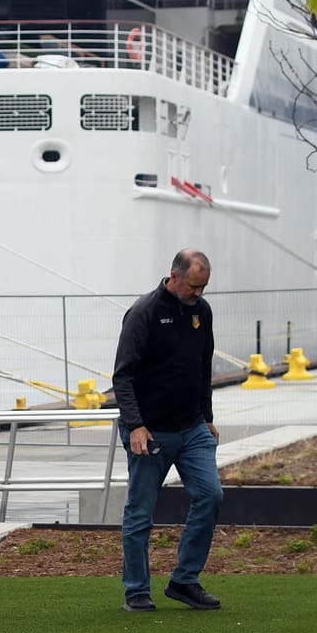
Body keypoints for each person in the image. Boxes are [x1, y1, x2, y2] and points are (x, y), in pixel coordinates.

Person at [111, 248, 221, 611]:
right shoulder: (144, 313)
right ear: (173, 276)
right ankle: (137, 590)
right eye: (193, 286)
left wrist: (206, 415)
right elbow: (122, 376)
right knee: (141, 512)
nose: (198, 294)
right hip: (150, 431)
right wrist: (136, 425)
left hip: (192, 428)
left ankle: (185, 580)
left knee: (211, 494)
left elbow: (202, 368)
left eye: (203, 287)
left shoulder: (201, 313)